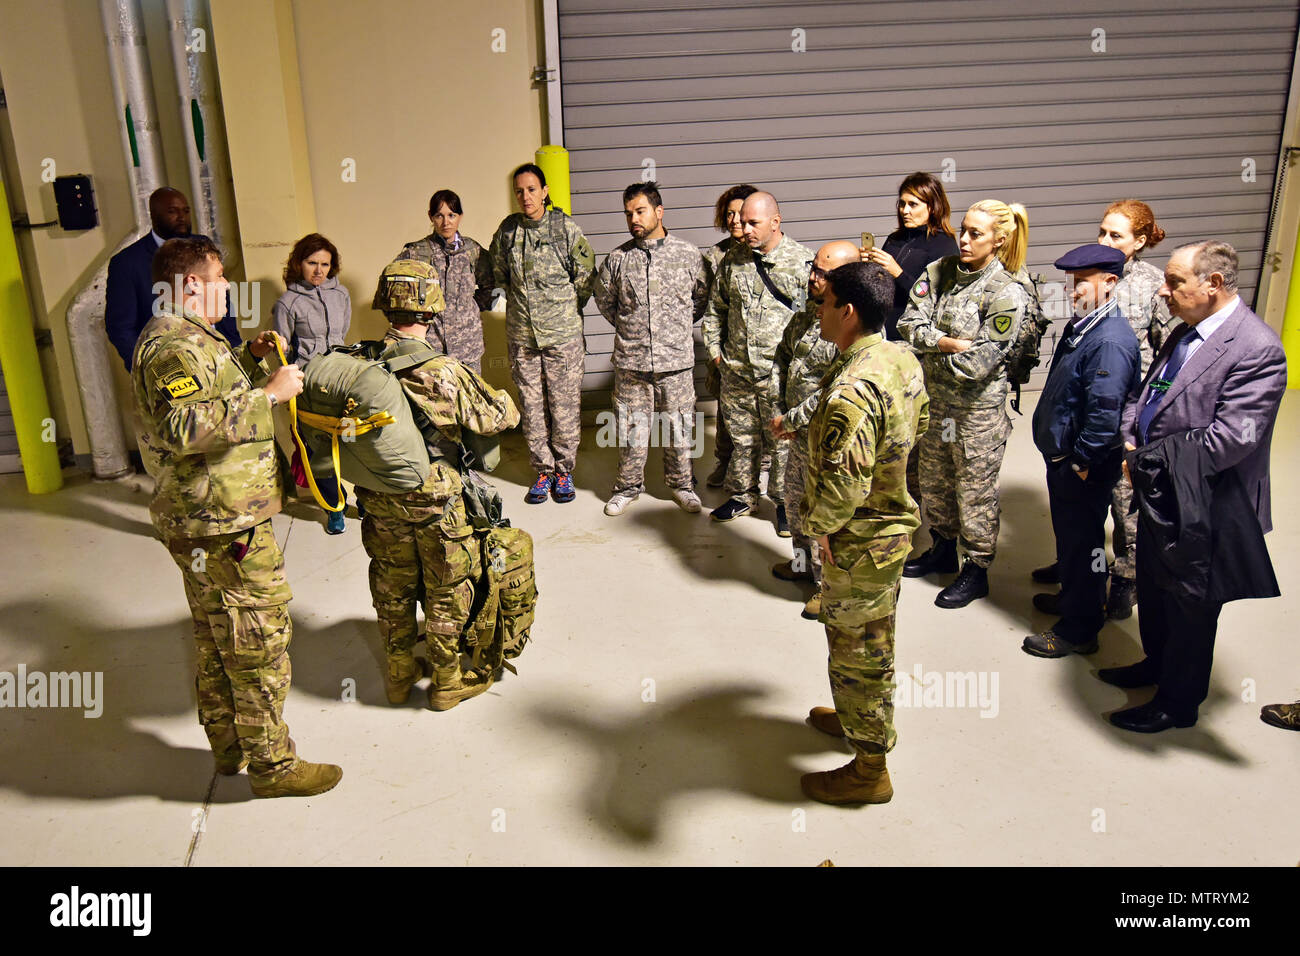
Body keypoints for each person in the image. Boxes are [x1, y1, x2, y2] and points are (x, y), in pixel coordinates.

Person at [131, 236, 341, 798]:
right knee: (256, 641)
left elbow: (207, 397)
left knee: (216, 636)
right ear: (191, 284)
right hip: (222, 523)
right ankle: (273, 767)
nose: (228, 286)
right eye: (220, 276)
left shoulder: (194, 336)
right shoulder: (171, 345)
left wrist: (248, 359)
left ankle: (229, 749)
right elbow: (184, 427)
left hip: (210, 519)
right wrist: (269, 395)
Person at [1109, 240, 1286, 733]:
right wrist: (1130, 434)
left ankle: (1178, 703)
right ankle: (1156, 665)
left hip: (1205, 503)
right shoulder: (1185, 330)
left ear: (1213, 284)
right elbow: (1148, 393)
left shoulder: (1257, 349)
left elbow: (1230, 440)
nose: (1163, 291)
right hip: (1161, 492)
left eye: (1175, 282)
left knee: (1190, 603)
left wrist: (1143, 462)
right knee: (1155, 587)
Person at [358, 265, 520, 711]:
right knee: (446, 587)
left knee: (392, 585)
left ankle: (398, 675)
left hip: (379, 497)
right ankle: (447, 681)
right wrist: (503, 399)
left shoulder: (361, 362)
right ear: (431, 309)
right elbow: (498, 418)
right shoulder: (443, 370)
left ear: (386, 304)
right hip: (437, 500)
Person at [798, 261, 928, 806]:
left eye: (825, 303)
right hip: (888, 528)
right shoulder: (897, 357)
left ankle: (870, 770)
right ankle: (855, 717)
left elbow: (843, 486)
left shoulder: (852, 390)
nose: (819, 311)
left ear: (847, 311)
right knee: (868, 640)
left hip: (859, 541)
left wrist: (820, 529)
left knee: (861, 654)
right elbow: (920, 423)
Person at [1032, 199, 1178, 619]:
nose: (1106, 240)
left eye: (1116, 235)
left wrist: (1146, 413)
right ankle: (1077, 574)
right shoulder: (1091, 281)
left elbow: (1167, 357)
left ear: (1140, 240)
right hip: (1092, 407)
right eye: (1103, 232)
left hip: (1123, 414)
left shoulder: (1152, 286)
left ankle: (1123, 579)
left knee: (1123, 506)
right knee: (1083, 520)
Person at [898, 199, 1031, 609]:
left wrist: (927, 349)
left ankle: (976, 569)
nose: (965, 240)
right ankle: (942, 548)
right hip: (935, 406)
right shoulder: (939, 271)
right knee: (934, 483)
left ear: (999, 240)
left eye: (977, 234)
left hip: (976, 416)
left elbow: (978, 364)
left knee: (974, 493)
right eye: (964, 230)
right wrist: (944, 342)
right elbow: (907, 323)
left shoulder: (1006, 292)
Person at [1022, 244, 1139, 658]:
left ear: (1110, 282)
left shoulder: (1109, 341)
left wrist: (1082, 461)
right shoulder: (1087, 326)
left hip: (1082, 465)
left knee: (1086, 547)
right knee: (1073, 543)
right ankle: (1074, 599)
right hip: (1068, 459)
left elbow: (1105, 412)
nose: (1072, 290)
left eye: (1082, 282)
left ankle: (1080, 627)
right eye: (1072, 281)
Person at [593, 182, 708, 516]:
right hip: (633, 362)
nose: (633, 219)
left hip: (676, 362)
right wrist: (634, 330)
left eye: (640, 211)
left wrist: (673, 330)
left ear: (659, 211)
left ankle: (682, 485)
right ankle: (627, 488)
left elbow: (700, 299)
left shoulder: (688, 255)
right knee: (630, 430)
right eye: (628, 213)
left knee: (679, 429)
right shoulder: (618, 259)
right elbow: (606, 302)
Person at [702, 190, 813, 531]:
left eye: (754, 223)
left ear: (775, 222)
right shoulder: (734, 259)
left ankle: (783, 502)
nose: (745, 229)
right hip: (736, 371)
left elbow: (814, 322)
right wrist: (715, 353)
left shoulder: (802, 262)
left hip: (778, 374)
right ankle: (743, 495)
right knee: (742, 438)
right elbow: (716, 309)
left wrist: (800, 368)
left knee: (783, 441)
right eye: (742, 221)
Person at [489, 163, 595, 504]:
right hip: (523, 337)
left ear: (545, 191)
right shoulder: (508, 232)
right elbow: (499, 274)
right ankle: (543, 471)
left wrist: (564, 311)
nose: (526, 197)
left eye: (532, 189)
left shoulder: (565, 229)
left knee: (564, 407)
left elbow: (585, 277)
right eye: (519, 191)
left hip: (562, 335)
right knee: (532, 407)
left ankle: (563, 471)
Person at [770, 240, 861, 620]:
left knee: (825, 516)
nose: (813, 277)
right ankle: (802, 565)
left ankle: (829, 588)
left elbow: (837, 389)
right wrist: (779, 409)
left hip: (828, 441)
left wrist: (790, 420)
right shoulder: (809, 314)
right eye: (813, 268)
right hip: (797, 438)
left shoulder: (852, 323)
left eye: (823, 273)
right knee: (795, 504)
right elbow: (781, 359)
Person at [271, 233, 353, 533]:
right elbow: (283, 351)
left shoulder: (341, 294)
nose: (319, 271)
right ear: (298, 263)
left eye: (325, 264)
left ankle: (367, 500)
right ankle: (333, 507)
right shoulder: (287, 302)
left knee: (352, 440)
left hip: (342, 376)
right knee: (319, 448)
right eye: (311, 263)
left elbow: (343, 332)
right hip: (309, 383)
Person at [106, 186, 240, 369]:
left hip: (217, 357)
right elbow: (120, 328)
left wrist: (235, 348)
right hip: (171, 364)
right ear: (154, 215)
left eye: (186, 211)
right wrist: (152, 367)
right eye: (172, 211)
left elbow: (224, 303)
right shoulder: (127, 262)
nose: (181, 217)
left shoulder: (203, 245)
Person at [393, 189, 495, 372]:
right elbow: (395, 290)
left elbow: (493, 286)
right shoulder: (417, 253)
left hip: (468, 347)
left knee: (471, 391)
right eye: (439, 215)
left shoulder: (472, 251)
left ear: (460, 216)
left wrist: (470, 307)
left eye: (451, 215)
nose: (446, 222)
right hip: (430, 347)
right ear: (430, 217)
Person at [701, 184, 758, 488]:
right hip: (726, 347)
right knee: (727, 411)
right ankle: (724, 462)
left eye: (741, 213)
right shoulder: (715, 256)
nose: (735, 220)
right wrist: (715, 351)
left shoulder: (765, 250)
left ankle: (759, 466)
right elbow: (706, 303)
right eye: (730, 214)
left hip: (760, 348)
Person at [866, 172, 959, 342]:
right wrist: (869, 267)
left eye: (913, 204)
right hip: (882, 335)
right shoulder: (894, 239)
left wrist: (898, 273)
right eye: (902, 204)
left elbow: (938, 300)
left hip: (915, 340)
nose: (905, 211)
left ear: (932, 207)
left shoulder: (944, 245)